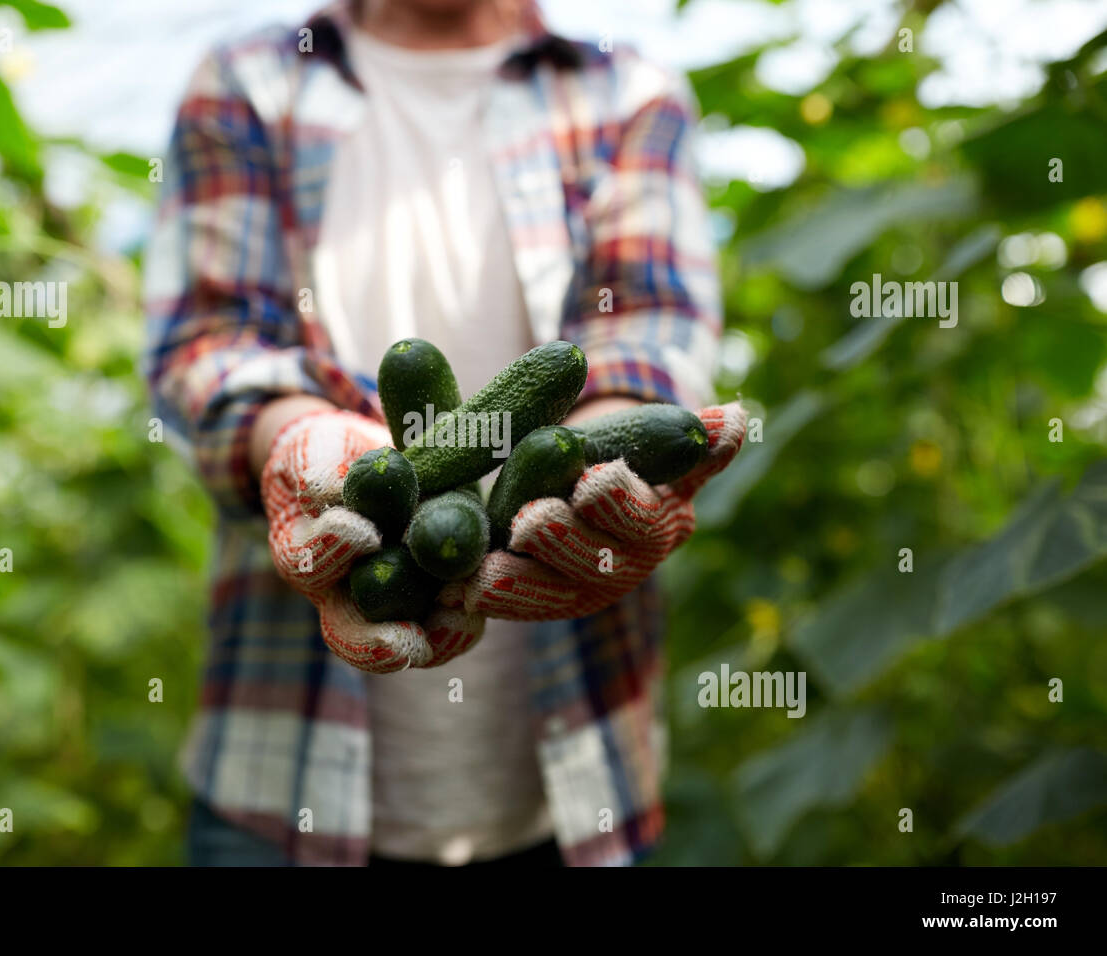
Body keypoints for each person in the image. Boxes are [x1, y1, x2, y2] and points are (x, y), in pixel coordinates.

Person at [143, 0, 744, 867]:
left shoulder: (628, 91)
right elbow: (208, 344)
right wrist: (296, 440)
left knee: (539, 460)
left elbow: (645, 335)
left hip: (582, 786)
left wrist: (599, 456)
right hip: (274, 784)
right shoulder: (247, 84)